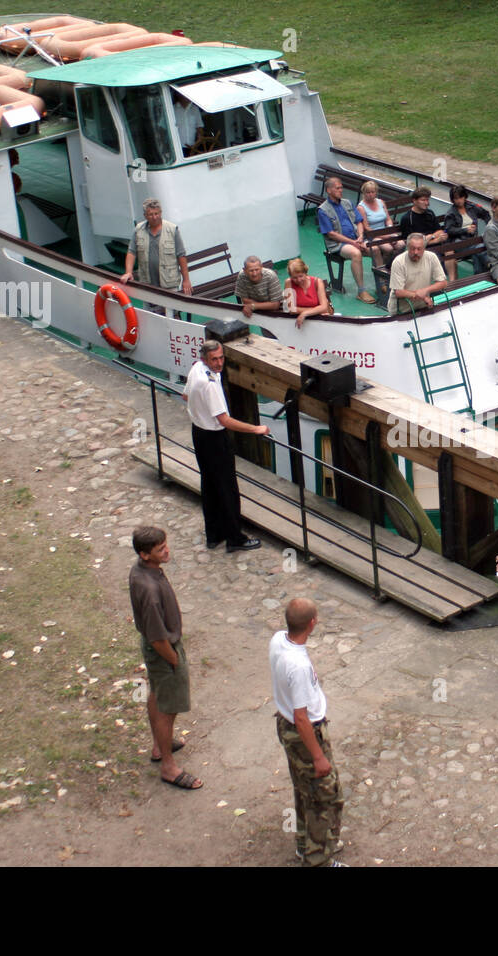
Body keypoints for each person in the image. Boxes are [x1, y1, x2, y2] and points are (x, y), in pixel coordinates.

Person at [269, 598, 346, 866]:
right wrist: (318, 756)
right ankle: (319, 858)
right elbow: (302, 718)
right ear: (312, 623)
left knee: (303, 788)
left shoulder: (279, 640)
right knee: (325, 796)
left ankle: (306, 843)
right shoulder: (298, 666)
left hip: (285, 724)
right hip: (305, 733)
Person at [129, 526, 200, 790]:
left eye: (165, 545)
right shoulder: (148, 589)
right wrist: (173, 660)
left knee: (158, 694)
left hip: (156, 647)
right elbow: (158, 638)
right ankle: (169, 766)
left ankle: (160, 745)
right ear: (145, 554)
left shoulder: (141, 570)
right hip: (163, 649)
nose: (167, 550)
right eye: (160, 549)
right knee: (168, 707)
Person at [185, 339, 269, 551]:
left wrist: (199, 412)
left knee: (209, 484)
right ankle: (234, 538)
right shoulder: (210, 384)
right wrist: (255, 429)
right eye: (214, 359)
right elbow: (225, 421)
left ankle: (213, 534)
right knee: (228, 488)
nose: (219, 363)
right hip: (214, 438)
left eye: (221, 357)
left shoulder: (196, 369)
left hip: (198, 432)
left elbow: (185, 394)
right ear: (206, 359)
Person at [121, 199, 192, 313]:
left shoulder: (172, 229)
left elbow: (181, 255)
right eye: (151, 214)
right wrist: (128, 272)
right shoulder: (138, 230)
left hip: (168, 283)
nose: (154, 217)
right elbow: (131, 251)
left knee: (171, 314)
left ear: (161, 212)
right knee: (150, 315)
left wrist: (186, 280)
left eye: (156, 213)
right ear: (145, 216)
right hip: (148, 283)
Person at [316, 177, 376, 305]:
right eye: (337, 188)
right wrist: (352, 242)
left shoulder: (347, 203)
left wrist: (360, 236)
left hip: (356, 239)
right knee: (356, 253)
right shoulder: (323, 210)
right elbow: (331, 234)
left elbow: (359, 221)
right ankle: (361, 291)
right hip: (338, 245)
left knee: (375, 248)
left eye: (341, 187)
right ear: (329, 190)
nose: (341, 190)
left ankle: (381, 284)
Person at [388, 233, 447, 314]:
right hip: (401, 311)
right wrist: (419, 295)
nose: (416, 252)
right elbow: (399, 292)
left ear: (424, 248)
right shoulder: (398, 262)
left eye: (419, 249)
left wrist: (425, 290)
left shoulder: (431, 257)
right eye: (413, 249)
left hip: (423, 307)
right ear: (407, 247)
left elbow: (443, 283)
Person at [440, 184, 490, 280]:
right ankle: (489, 265)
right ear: (452, 200)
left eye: (461, 197)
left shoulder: (471, 207)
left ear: (465, 197)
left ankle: (479, 278)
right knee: (480, 247)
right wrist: (465, 230)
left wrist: (489, 228)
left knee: (476, 252)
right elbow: (449, 229)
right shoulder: (451, 213)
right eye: (456, 198)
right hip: (458, 243)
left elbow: (486, 214)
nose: (459, 200)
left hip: (472, 241)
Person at [357, 180, 405, 278]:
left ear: (376, 192)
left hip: (386, 232)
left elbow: (387, 219)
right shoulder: (361, 207)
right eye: (368, 192)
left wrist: (391, 230)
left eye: (372, 192)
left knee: (401, 244)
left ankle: (390, 266)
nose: (370, 194)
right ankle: (383, 271)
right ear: (364, 193)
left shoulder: (381, 202)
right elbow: (367, 228)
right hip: (373, 235)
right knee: (388, 248)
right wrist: (388, 236)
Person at [283, 257, 332, 329]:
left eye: (301, 276)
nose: (298, 280)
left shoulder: (317, 282)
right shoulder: (288, 283)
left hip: (319, 320)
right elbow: (291, 309)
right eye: (294, 278)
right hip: (300, 320)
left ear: (305, 273)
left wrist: (305, 313)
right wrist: (317, 310)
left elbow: (324, 307)